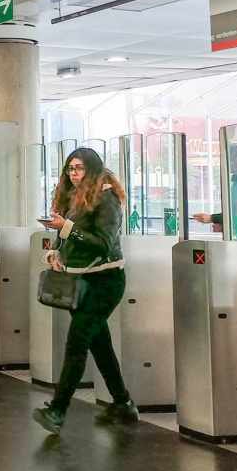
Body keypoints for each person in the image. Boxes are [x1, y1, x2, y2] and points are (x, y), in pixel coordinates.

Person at [33, 147, 137, 434]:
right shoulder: (75, 198)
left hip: (105, 282)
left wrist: (66, 228)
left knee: (77, 342)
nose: (73, 174)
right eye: (70, 168)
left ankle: (58, 410)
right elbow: (66, 237)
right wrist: (55, 253)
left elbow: (103, 243)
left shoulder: (107, 198)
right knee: (99, 345)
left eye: (78, 168)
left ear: (92, 169)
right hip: (81, 282)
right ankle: (123, 403)